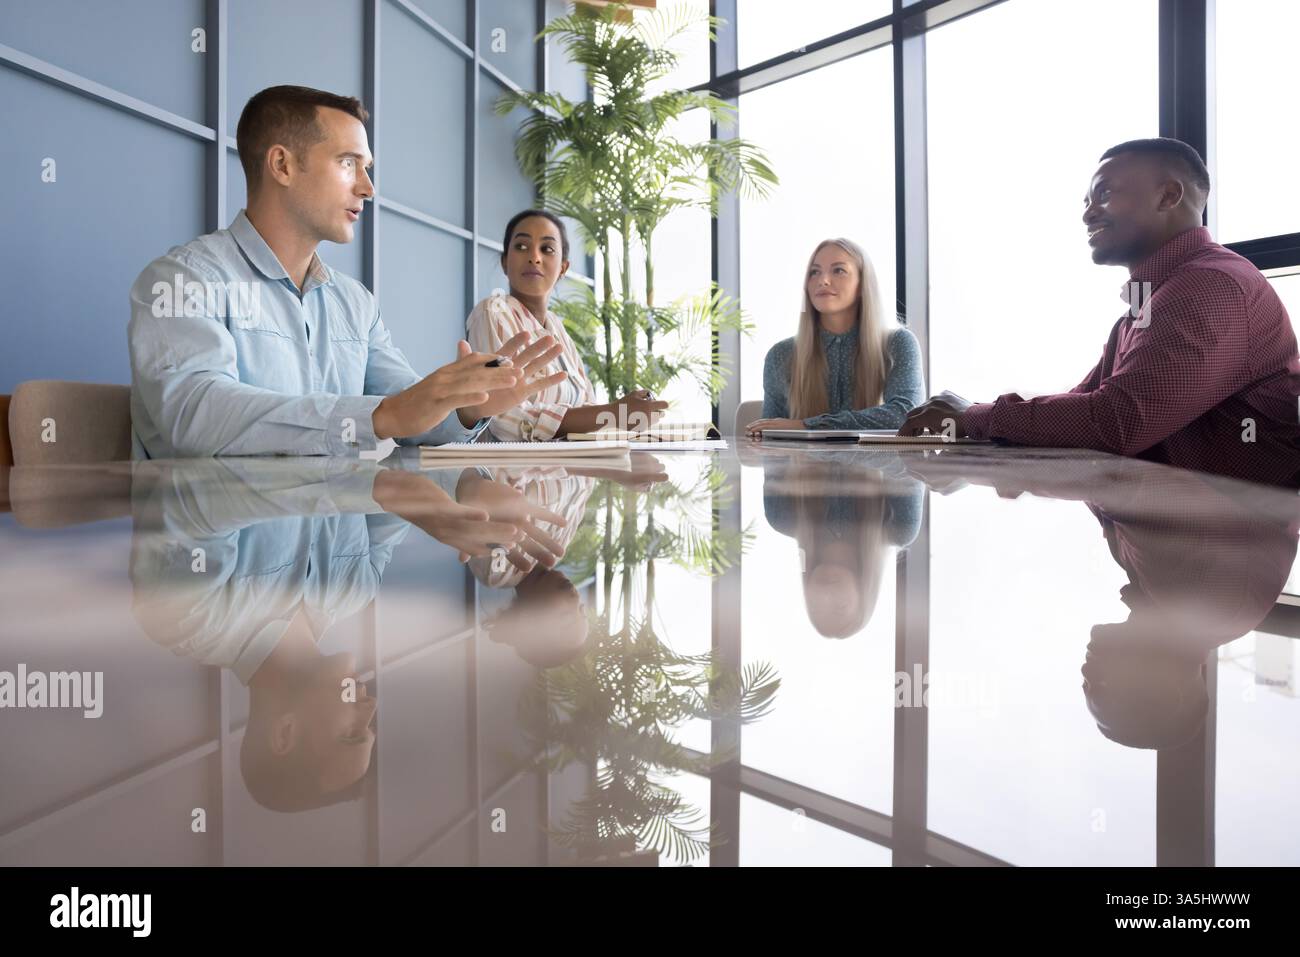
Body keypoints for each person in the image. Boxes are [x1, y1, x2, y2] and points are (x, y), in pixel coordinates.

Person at [129, 85, 565, 459]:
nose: (367, 187)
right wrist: (378, 416)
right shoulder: (183, 281)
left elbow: (411, 411)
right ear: (282, 165)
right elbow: (192, 415)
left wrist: (467, 406)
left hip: (341, 541)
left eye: (367, 168)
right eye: (347, 163)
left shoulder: (355, 303)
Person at [901, 137, 1300, 488]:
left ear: (1168, 196)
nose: (1088, 213)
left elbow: (1115, 423)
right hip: (1184, 531)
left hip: (1230, 542)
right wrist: (977, 419)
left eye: (1104, 193)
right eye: (1087, 201)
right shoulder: (1151, 300)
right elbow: (1086, 403)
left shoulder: (1208, 285)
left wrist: (972, 418)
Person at [467, 209, 668, 441]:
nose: (534, 257)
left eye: (547, 249)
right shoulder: (492, 312)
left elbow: (587, 402)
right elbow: (501, 418)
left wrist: (624, 414)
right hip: (508, 472)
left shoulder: (557, 328)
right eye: (521, 246)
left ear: (563, 267)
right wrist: (612, 413)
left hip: (569, 468)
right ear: (504, 262)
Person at [745, 237, 924, 436]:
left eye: (838, 270)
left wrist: (809, 426)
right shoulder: (781, 355)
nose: (823, 280)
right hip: (802, 468)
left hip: (879, 466)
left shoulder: (898, 344)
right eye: (814, 272)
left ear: (863, 284)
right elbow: (770, 434)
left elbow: (906, 416)